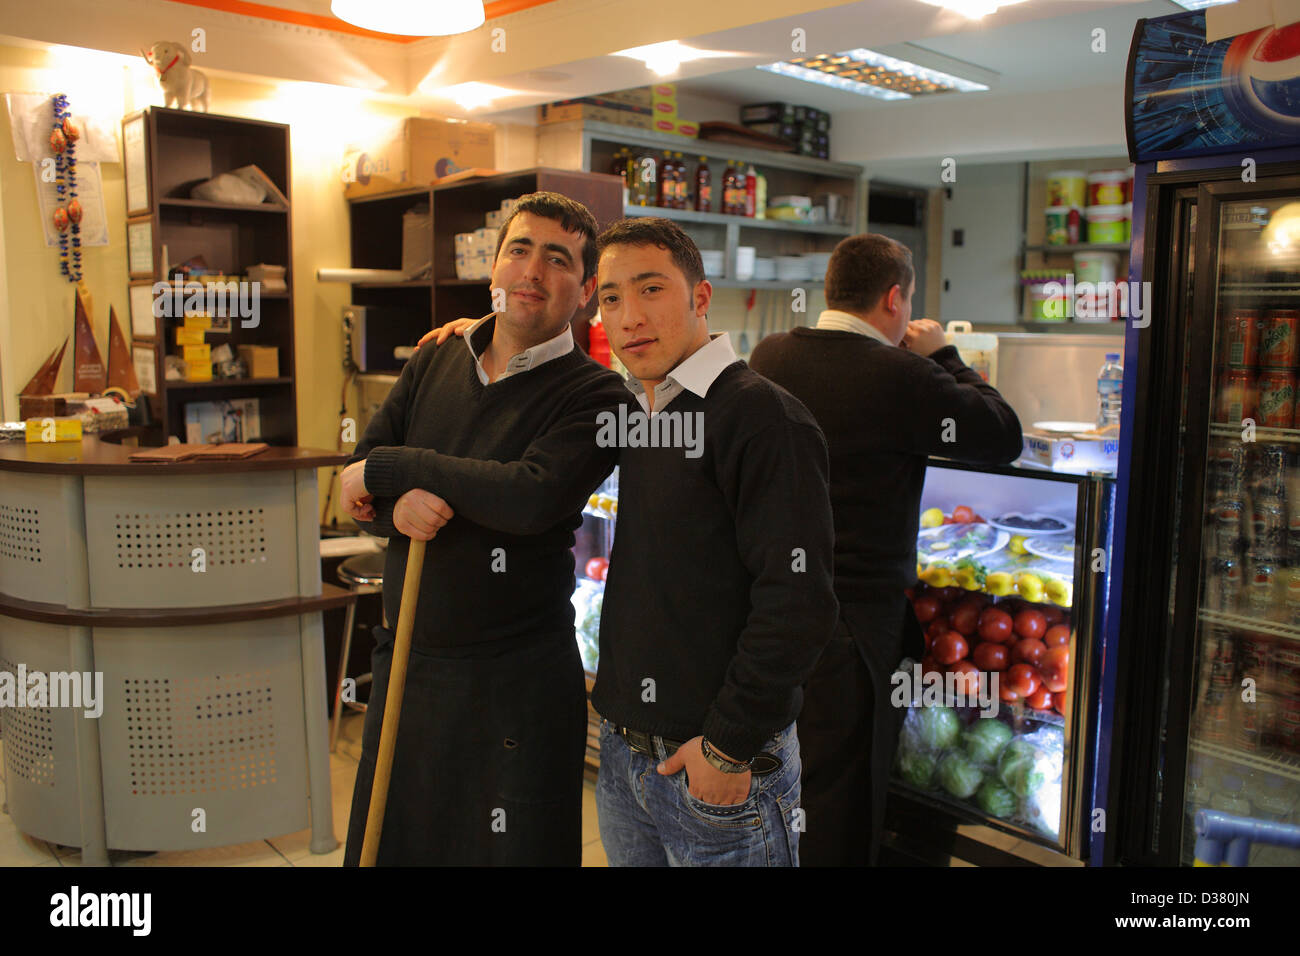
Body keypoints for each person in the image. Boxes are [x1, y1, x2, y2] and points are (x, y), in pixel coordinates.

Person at [336, 192, 628, 866]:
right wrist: (391, 500)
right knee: (394, 849)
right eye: (519, 250)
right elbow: (357, 478)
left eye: (558, 260)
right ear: (493, 267)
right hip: (410, 663)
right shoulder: (436, 358)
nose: (532, 270)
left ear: (583, 292)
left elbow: (528, 497)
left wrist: (393, 469)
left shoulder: (597, 396)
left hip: (514, 686)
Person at [748, 233, 1022, 866]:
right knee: (841, 799)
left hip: (768, 607)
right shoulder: (907, 375)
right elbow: (1001, 433)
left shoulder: (769, 353)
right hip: (852, 625)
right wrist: (946, 353)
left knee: (780, 780)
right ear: (895, 298)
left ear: (830, 291)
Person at [590, 216, 839, 867]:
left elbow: (798, 601)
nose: (629, 316)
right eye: (611, 297)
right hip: (625, 758)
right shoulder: (648, 410)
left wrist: (726, 746)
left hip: (720, 768)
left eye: (651, 289)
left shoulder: (764, 417)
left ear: (701, 298)